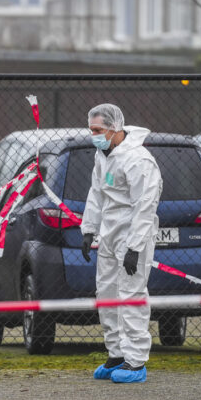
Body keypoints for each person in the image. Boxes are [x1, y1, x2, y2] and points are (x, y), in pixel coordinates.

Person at [80, 104, 163, 384]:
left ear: (115, 129)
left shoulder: (138, 159)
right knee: (106, 293)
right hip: (109, 233)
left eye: (98, 130)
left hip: (132, 234)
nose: (94, 135)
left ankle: (135, 360)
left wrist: (135, 246)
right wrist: (88, 229)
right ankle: (116, 353)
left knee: (131, 294)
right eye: (91, 130)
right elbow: (96, 193)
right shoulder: (102, 156)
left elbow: (145, 205)